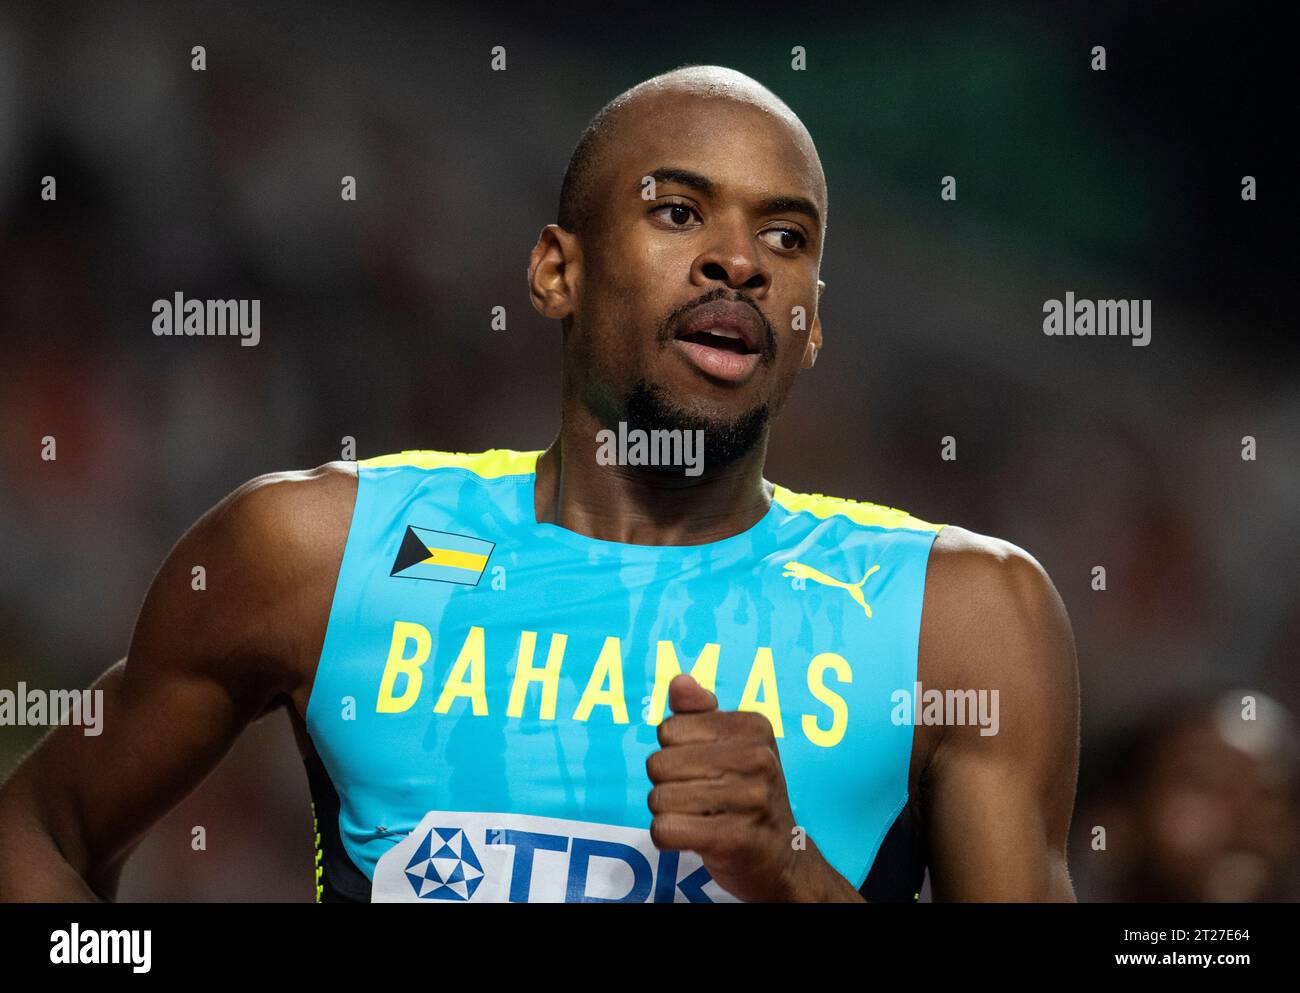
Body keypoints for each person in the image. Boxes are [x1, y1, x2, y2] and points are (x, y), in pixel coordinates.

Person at [0, 65, 1079, 903]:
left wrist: (789, 873)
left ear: (812, 323)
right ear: (557, 269)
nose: (738, 262)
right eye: (677, 213)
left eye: (783, 236)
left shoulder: (960, 618)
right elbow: (39, 832)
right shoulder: (318, 552)